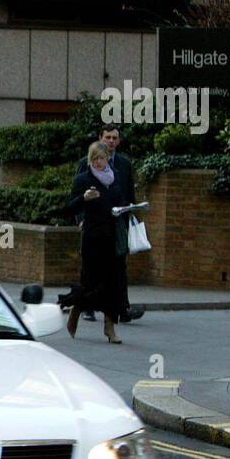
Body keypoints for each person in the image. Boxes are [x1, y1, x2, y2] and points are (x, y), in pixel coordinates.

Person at [74, 125, 144, 323]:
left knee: (119, 266)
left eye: (115, 138)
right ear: (100, 138)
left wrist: (130, 215)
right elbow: (77, 194)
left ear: (119, 141)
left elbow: (129, 193)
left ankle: (122, 309)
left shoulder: (124, 163)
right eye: (108, 137)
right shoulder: (85, 164)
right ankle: (87, 307)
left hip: (116, 223)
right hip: (94, 224)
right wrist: (81, 219)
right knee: (91, 266)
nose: (111, 141)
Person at [64, 141, 127, 344]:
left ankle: (110, 328)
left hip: (112, 237)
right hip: (92, 237)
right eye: (94, 159)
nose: (98, 162)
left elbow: (121, 200)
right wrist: (84, 198)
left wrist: (126, 209)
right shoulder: (84, 179)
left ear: (107, 158)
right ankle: (76, 310)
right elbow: (69, 208)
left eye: (101, 158)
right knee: (90, 282)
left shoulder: (115, 178)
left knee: (113, 283)